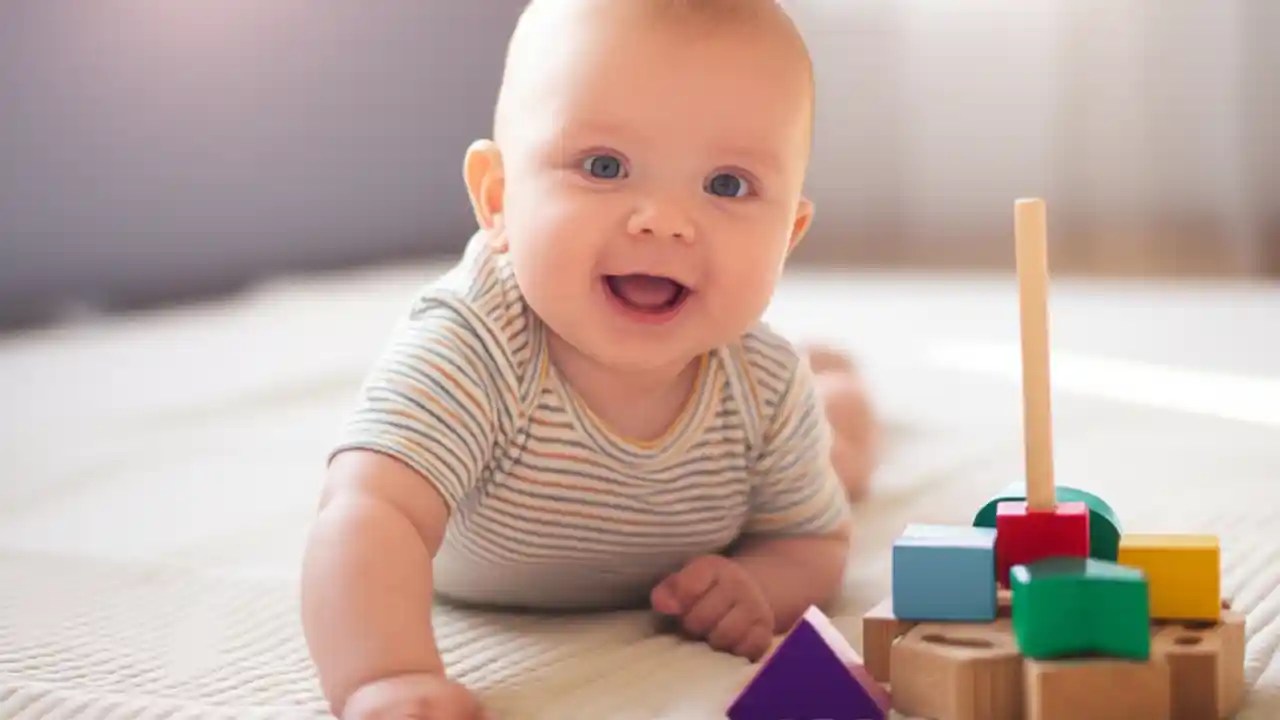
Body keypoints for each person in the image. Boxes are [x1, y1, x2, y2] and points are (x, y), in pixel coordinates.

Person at [301, 1, 879, 717]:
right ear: (499, 199)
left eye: (727, 185)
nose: (664, 219)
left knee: (838, 462)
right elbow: (369, 509)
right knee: (824, 441)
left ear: (788, 236)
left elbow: (814, 540)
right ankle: (837, 390)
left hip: (731, 492)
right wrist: (383, 676)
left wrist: (758, 583)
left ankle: (841, 393)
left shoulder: (760, 382)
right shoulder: (475, 344)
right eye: (605, 167)